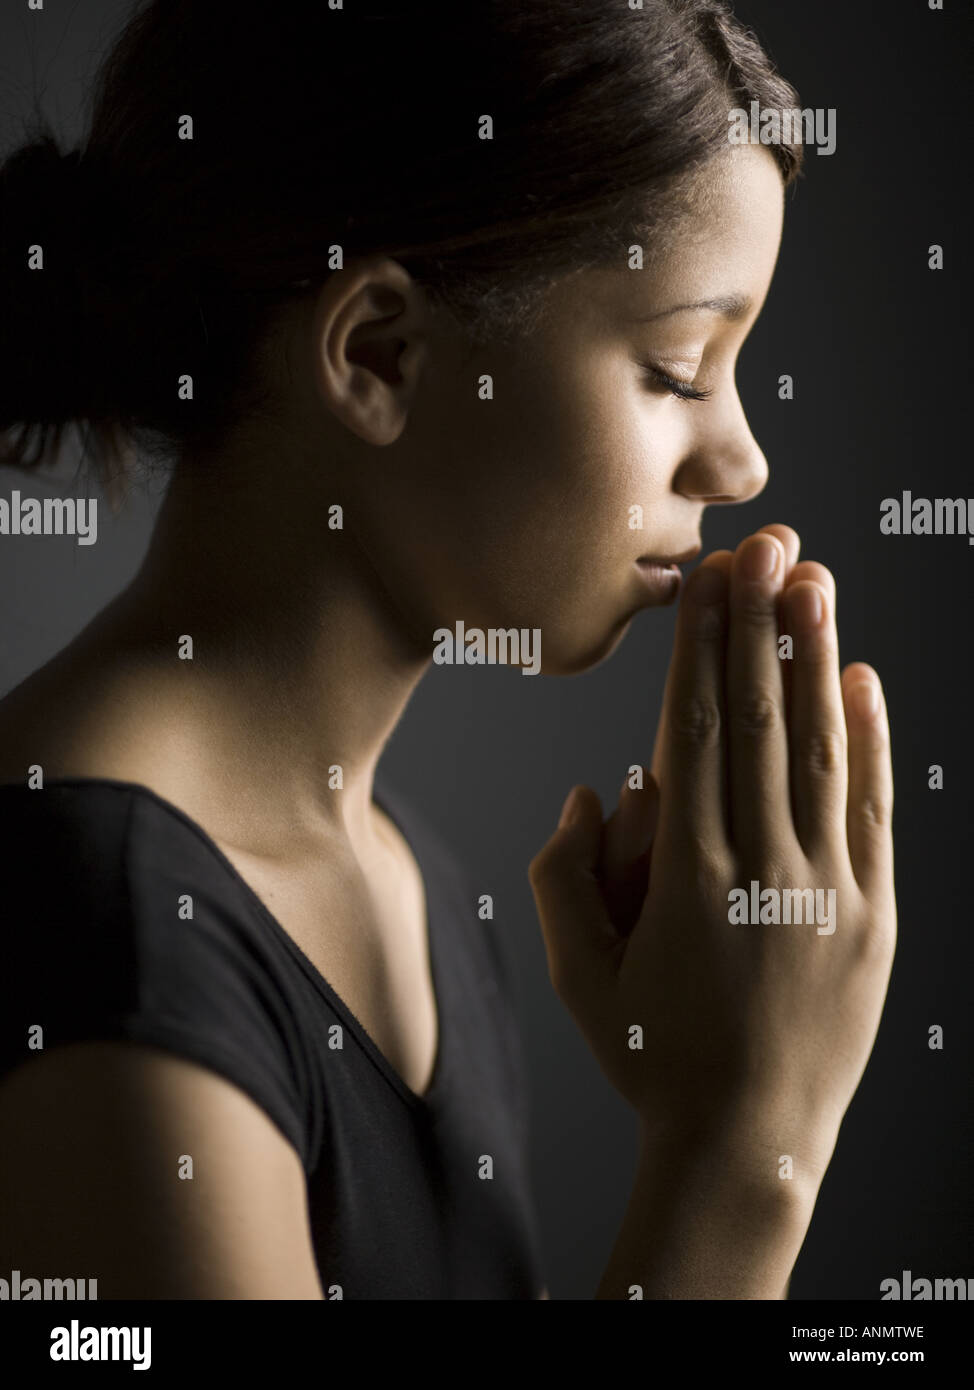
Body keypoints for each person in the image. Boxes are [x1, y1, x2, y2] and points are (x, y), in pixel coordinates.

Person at [0, 0, 895, 1299]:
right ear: (380, 353)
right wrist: (745, 1146)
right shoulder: (112, 926)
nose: (741, 460)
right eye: (678, 368)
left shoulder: (407, 885)